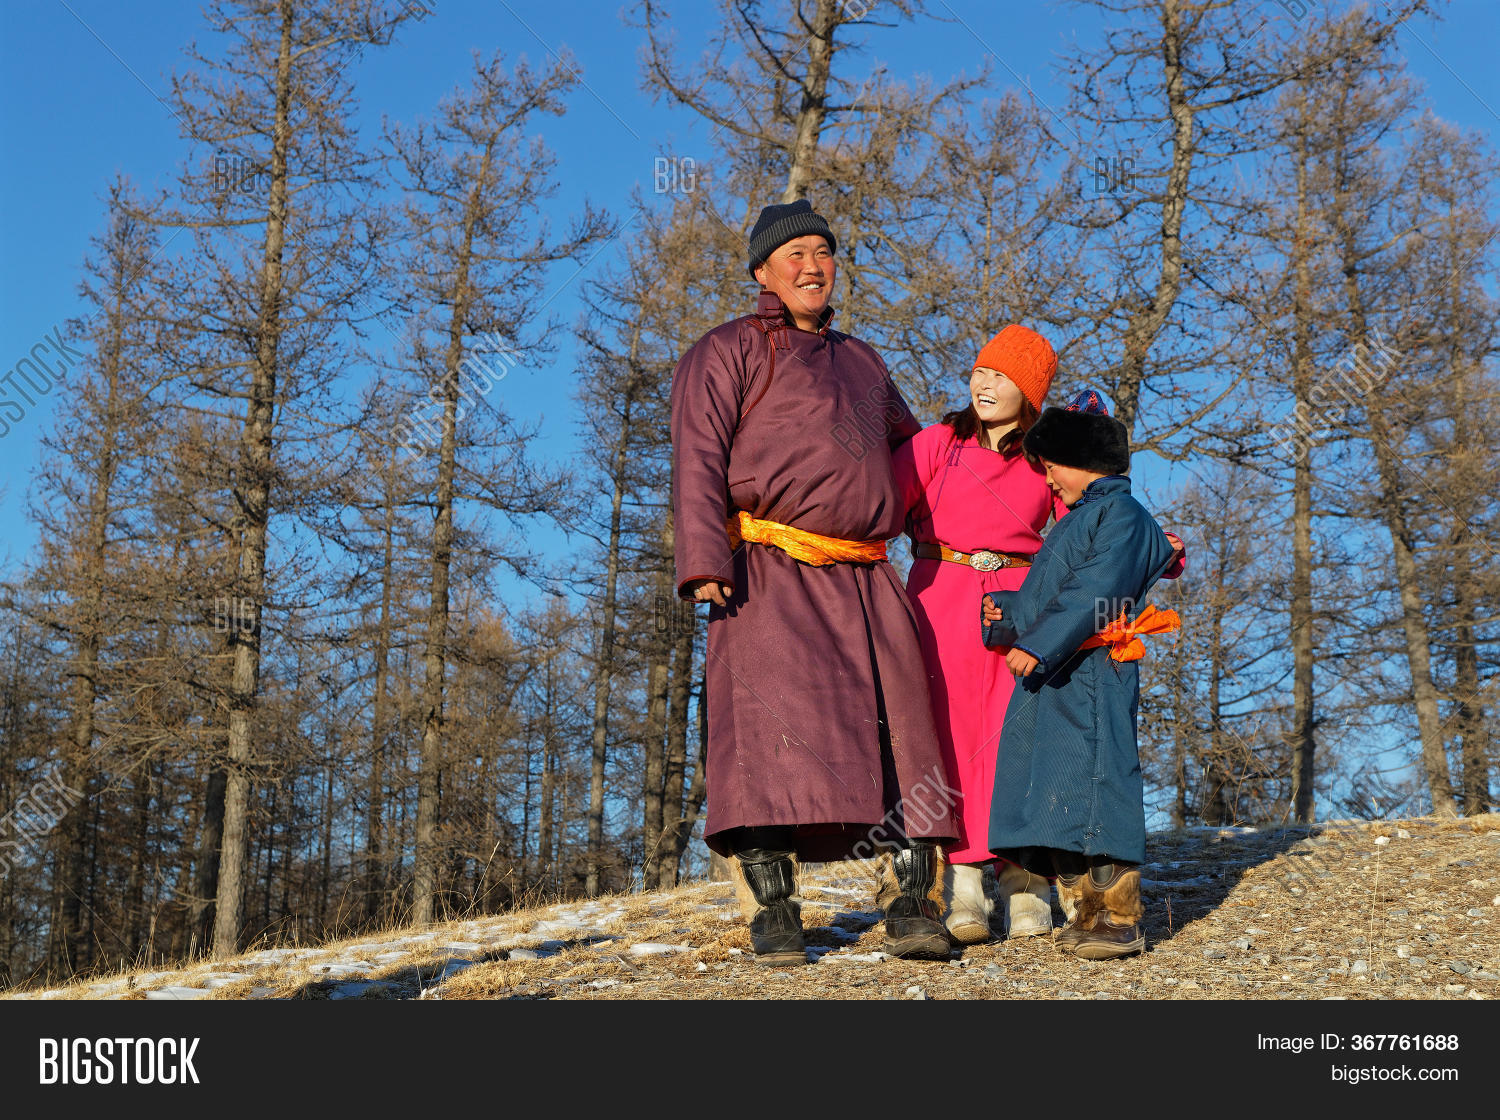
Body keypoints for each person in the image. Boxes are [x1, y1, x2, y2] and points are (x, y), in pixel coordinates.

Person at [670, 198, 959, 965]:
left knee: (905, 733)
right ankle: (774, 912)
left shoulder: (862, 362)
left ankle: (910, 903)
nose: (811, 265)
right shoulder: (725, 350)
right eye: (793, 253)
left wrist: (993, 467)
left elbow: (916, 456)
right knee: (768, 739)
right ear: (762, 269)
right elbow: (696, 455)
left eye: (823, 252)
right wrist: (704, 560)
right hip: (767, 570)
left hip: (867, 574)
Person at [979, 388, 1182, 959]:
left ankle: (1119, 915)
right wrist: (1005, 617)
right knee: (1058, 790)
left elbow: (1099, 594)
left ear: (1082, 462)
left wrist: (1040, 645)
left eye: (1051, 469)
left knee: (1099, 785)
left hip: (1091, 671)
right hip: (1060, 675)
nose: (1048, 482)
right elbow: (1050, 595)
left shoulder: (1123, 515)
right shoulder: (1080, 520)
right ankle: (1088, 911)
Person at [891, 325, 1068, 944]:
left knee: (1019, 736)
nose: (987, 384)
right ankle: (964, 881)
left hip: (1020, 606)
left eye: (1005, 377)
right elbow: (875, 500)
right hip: (940, 596)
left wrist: (1156, 549)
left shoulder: (1047, 458)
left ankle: (1026, 879)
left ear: (1032, 393)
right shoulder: (939, 442)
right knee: (951, 736)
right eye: (982, 372)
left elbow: (1089, 523)